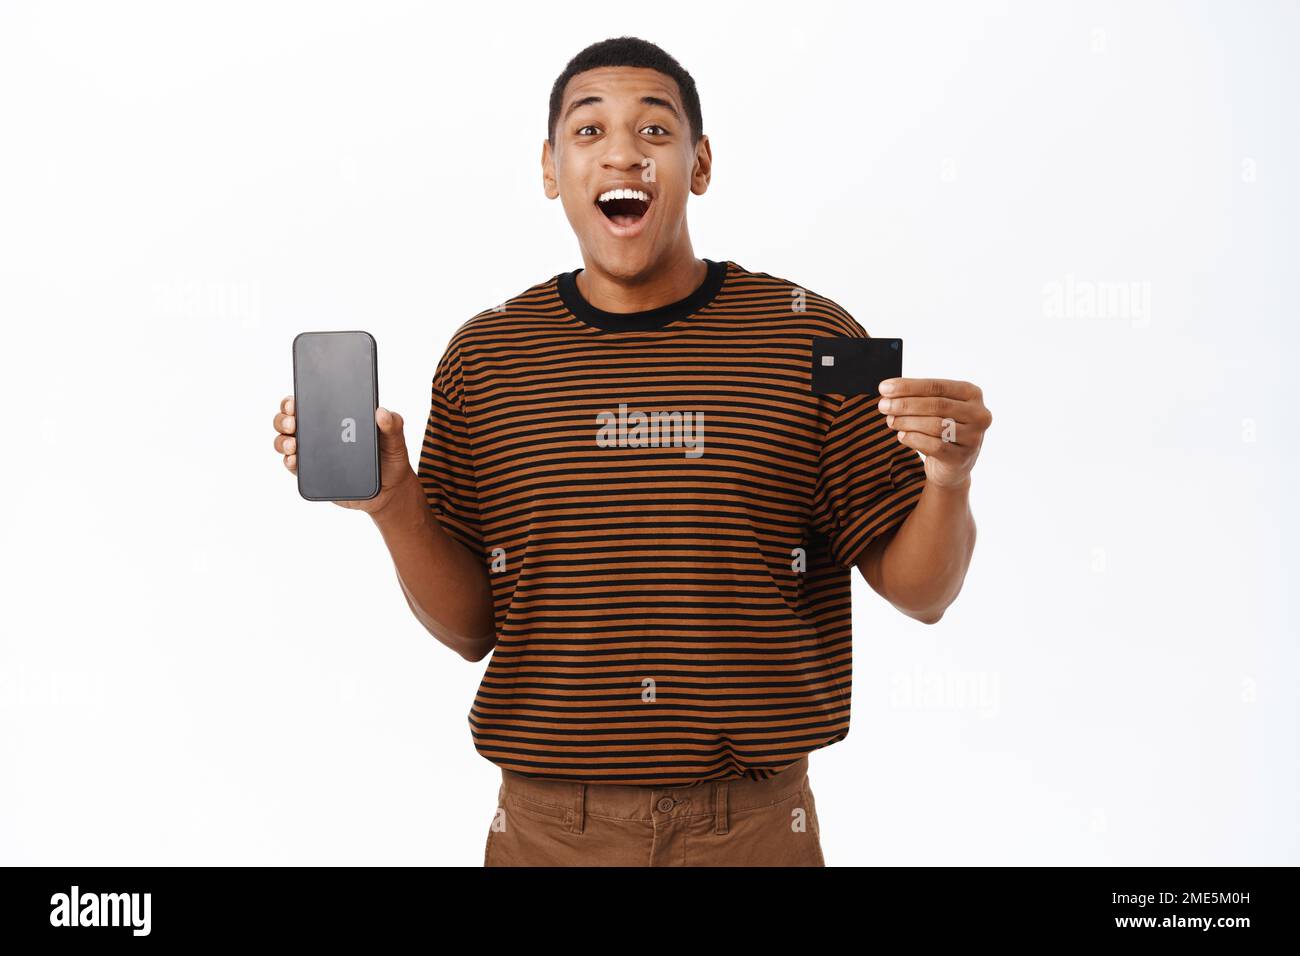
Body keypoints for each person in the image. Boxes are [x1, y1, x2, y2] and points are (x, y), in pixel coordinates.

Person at [271, 36, 992, 866]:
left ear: (701, 163)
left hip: (755, 830)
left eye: (655, 131)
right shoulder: (485, 356)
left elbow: (923, 594)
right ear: (549, 169)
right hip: (546, 831)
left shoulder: (817, 337)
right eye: (589, 131)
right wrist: (392, 501)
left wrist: (950, 479)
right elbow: (472, 629)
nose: (623, 151)